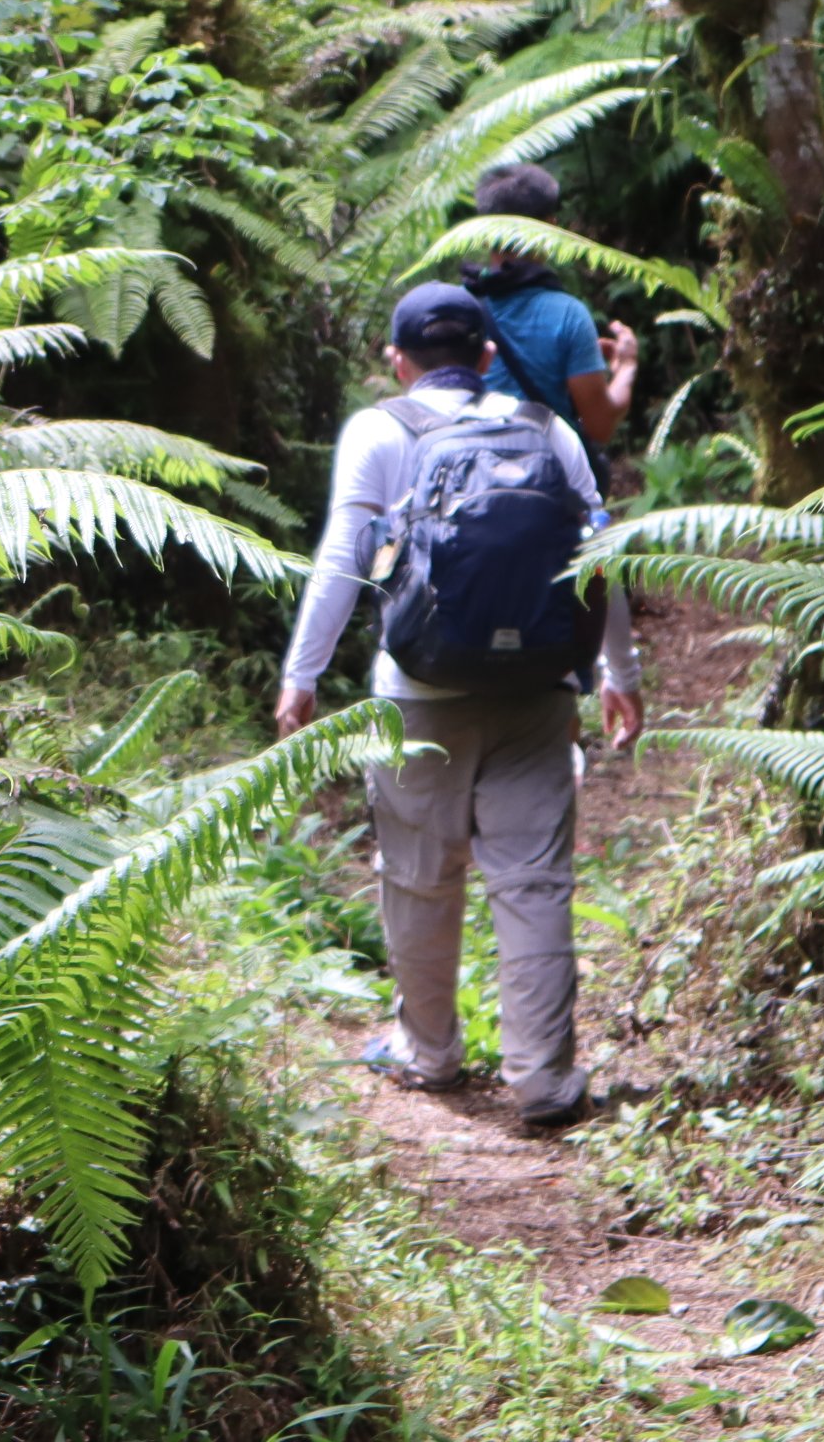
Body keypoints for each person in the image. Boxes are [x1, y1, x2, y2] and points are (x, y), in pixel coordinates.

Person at [274, 282, 644, 1131]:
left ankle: (430, 1054)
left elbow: (343, 554)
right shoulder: (550, 429)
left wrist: (303, 674)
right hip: (541, 689)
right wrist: (619, 672)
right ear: (486, 356)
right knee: (535, 883)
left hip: (419, 693)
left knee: (417, 878)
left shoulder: (379, 429)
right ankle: (545, 1081)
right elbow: (600, 556)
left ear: (398, 362)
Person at [466, 163, 638, 452]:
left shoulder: (455, 306)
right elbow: (601, 426)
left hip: (469, 480)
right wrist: (627, 367)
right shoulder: (569, 316)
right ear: (551, 228)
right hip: (546, 482)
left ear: (483, 233)